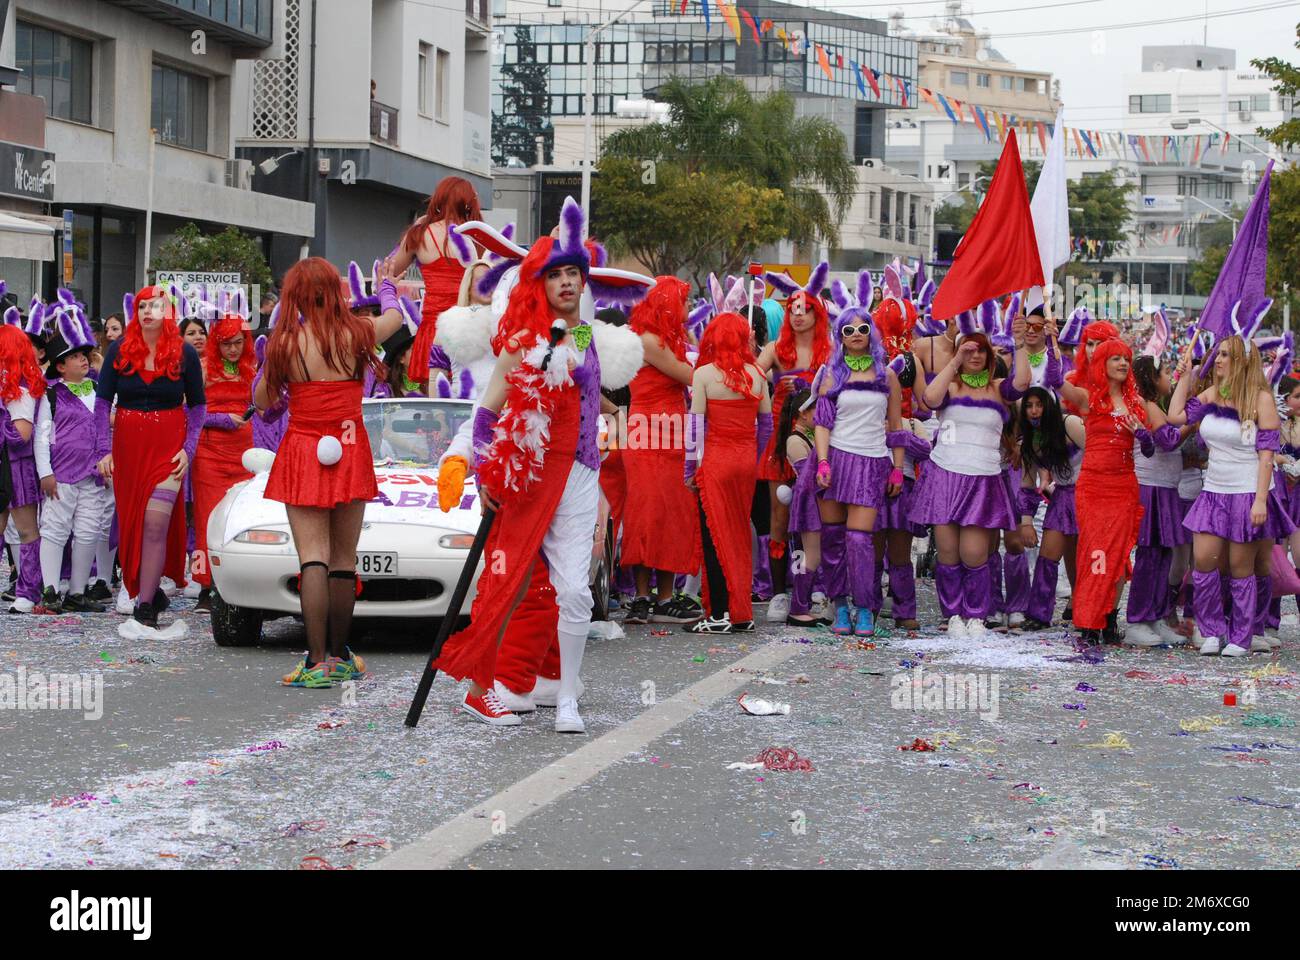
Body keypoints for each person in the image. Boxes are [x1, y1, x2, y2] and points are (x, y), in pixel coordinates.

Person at [429, 198, 645, 732]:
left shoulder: (587, 337)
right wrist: (482, 474)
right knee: (508, 583)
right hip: (527, 476)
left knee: (573, 589)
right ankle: (480, 691)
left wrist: (617, 421)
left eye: (574, 273)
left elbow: (589, 397)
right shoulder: (522, 340)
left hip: (580, 473)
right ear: (540, 284)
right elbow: (487, 413)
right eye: (556, 275)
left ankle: (564, 695)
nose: (567, 283)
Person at [255, 257, 406, 685]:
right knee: (343, 558)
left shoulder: (287, 343)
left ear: (296, 296)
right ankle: (339, 657)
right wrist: (387, 286)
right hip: (351, 446)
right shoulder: (357, 332)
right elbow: (396, 316)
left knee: (312, 558)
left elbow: (262, 400)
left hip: (303, 449)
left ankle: (315, 661)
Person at [1167, 328, 1295, 656]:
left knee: (1242, 568)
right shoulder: (1213, 392)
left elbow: (1267, 455)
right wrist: (1184, 376)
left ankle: (1241, 635)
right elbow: (1175, 417)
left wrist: (1261, 501)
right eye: (1218, 354)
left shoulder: (1260, 398)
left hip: (1247, 491)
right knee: (1204, 563)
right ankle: (1211, 630)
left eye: (1225, 354)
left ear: (1240, 360)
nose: (1218, 359)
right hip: (1213, 492)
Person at [95, 286, 206, 639]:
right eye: (142, 306)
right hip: (128, 447)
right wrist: (103, 449)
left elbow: (199, 407)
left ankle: (144, 607)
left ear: (166, 312)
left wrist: (189, 448)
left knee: (157, 523)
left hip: (168, 445)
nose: (147, 312)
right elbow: (101, 405)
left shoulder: (185, 353)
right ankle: (149, 592)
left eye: (155, 306)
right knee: (133, 526)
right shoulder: (118, 351)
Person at [911, 316, 1030, 638]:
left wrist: (1020, 344)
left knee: (974, 554)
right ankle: (953, 615)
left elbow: (1022, 384)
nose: (975, 356)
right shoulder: (949, 385)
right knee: (948, 554)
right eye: (969, 351)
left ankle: (976, 614)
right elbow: (930, 399)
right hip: (945, 475)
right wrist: (955, 361)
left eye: (981, 352)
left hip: (983, 478)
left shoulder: (998, 389)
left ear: (991, 358)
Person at [811, 300, 905, 637]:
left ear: (871, 333)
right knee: (833, 539)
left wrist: (897, 468)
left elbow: (895, 426)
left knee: (859, 539)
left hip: (871, 463)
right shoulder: (832, 373)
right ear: (840, 335)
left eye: (862, 328)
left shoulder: (887, 374)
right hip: (835, 459)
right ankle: (839, 606)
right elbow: (822, 422)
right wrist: (822, 461)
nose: (855, 335)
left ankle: (865, 608)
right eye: (847, 330)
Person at [620, 276, 701, 626]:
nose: (688, 308)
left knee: (671, 513)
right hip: (648, 434)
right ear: (668, 304)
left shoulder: (669, 338)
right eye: (684, 301)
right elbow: (691, 375)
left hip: (672, 432)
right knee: (646, 513)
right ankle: (642, 595)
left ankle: (664, 597)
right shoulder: (649, 340)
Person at [685, 311, 772, 634]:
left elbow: (694, 427)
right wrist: (756, 454)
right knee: (737, 533)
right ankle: (741, 612)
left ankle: (719, 612)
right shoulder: (757, 374)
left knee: (714, 534)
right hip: (745, 461)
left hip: (717, 461)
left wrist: (689, 468)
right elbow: (767, 425)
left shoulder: (704, 374)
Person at [1058, 337, 1148, 644]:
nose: (1123, 363)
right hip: (1094, 486)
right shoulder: (1088, 399)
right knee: (1094, 553)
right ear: (1102, 364)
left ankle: (1108, 617)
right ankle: (1088, 618)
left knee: (1119, 555)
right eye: (1115, 359)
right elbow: (1055, 380)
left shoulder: (1136, 403)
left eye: (1126, 358)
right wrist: (1046, 342)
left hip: (1124, 486)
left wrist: (1145, 437)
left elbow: (1150, 449)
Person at [756, 265, 832, 622]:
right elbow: (751, 380)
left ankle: (812, 586)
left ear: (818, 312)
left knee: (817, 517)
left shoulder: (831, 352)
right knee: (779, 517)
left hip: (818, 443)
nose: (798, 315)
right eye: (793, 309)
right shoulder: (775, 349)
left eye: (806, 308)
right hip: (780, 443)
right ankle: (779, 593)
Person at [33, 306, 112, 613]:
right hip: (61, 477)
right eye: (76, 356)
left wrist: (108, 460)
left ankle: (77, 592)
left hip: (94, 476)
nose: (83, 359)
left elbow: (108, 429)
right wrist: (45, 473)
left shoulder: (101, 392)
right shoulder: (51, 395)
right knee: (54, 529)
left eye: (84, 354)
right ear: (61, 367)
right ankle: (51, 589)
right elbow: (42, 437)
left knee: (89, 530)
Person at [189, 308, 256, 614]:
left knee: (239, 519)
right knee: (206, 517)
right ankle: (207, 586)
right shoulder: (203, 369)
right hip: (210, 454)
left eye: (238, 342)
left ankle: (238, 582)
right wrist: (220, 419)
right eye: (227, 342)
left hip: (242, 453)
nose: (232, 348)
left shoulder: (250, 369)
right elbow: (191, 413)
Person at [1125, 354, 1193, 646]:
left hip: (1165, 488)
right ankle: (1137, 619)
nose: (1169, 377)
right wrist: (1195, 419)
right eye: (1165, 372)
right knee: (1150, 557)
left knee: (1163, 555)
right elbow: (1168, 440)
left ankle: (1155, 615)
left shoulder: (1156, 404)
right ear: (1152, 378)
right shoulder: (1146, 404)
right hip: (1150, 488)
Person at [391, 177, 482, 385]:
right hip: (469, 326)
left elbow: (390, 270)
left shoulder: (420, 233)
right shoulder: (478, 235)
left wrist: (416, 227)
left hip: (433, 326)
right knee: (470, 394)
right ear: (469, 202)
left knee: (434, 398)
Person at [1019, 387, 1083, 630]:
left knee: (1081, 558)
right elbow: (1026, 484)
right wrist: (1026, 522)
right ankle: (1039, 614)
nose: (1034, 411)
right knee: (1048, 555)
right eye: (1029, 406)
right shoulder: (1030, 442)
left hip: (1088, 493)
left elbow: (1099, 454)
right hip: (1063, 497)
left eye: (1040, 404)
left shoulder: (1071, 424)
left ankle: (1085, 608)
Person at [0, 317, 46, 614]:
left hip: (18, 467)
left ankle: (29, 590)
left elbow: (21, 436)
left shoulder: (23, 389)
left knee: (26, 529)